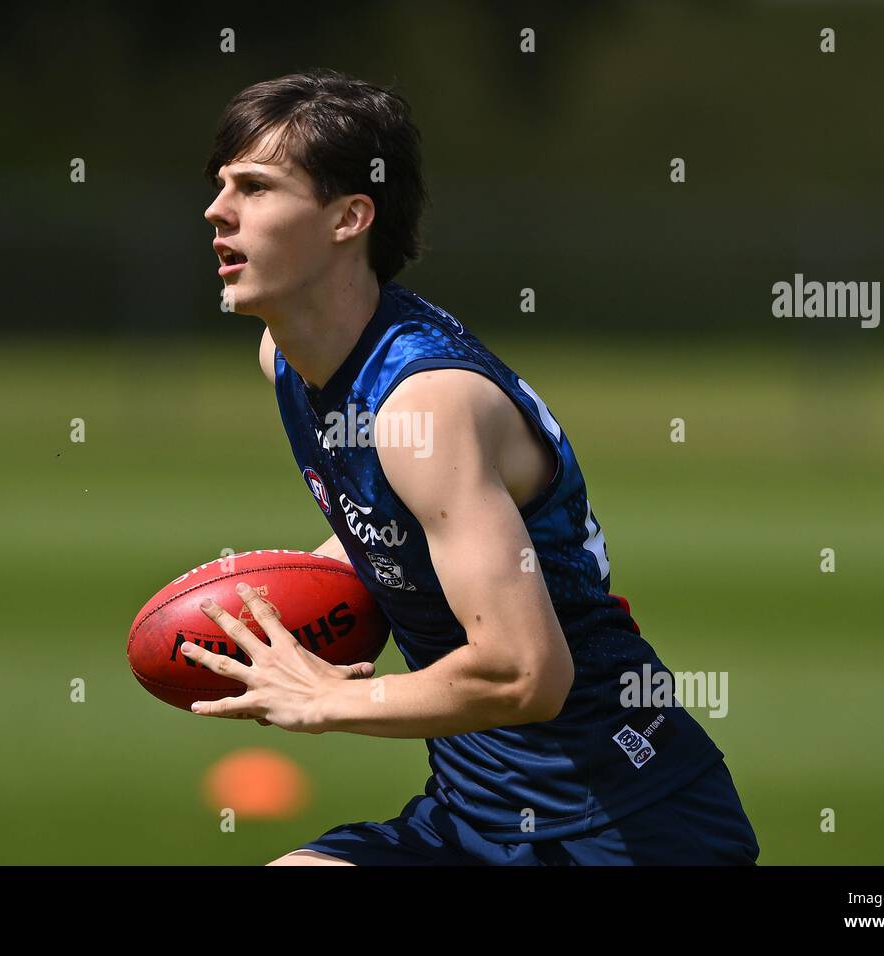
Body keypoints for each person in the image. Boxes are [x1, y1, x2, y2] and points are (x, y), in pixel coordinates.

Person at [192, 68, 759, 865]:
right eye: (221, 186)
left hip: (624, 823)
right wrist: (277, 608)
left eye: (254, 187)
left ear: (350, 216)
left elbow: (527, 674)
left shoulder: (426, 407)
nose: (218, 211)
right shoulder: (288, 362)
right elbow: (403, 536)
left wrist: (328, 700)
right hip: (472, 817)